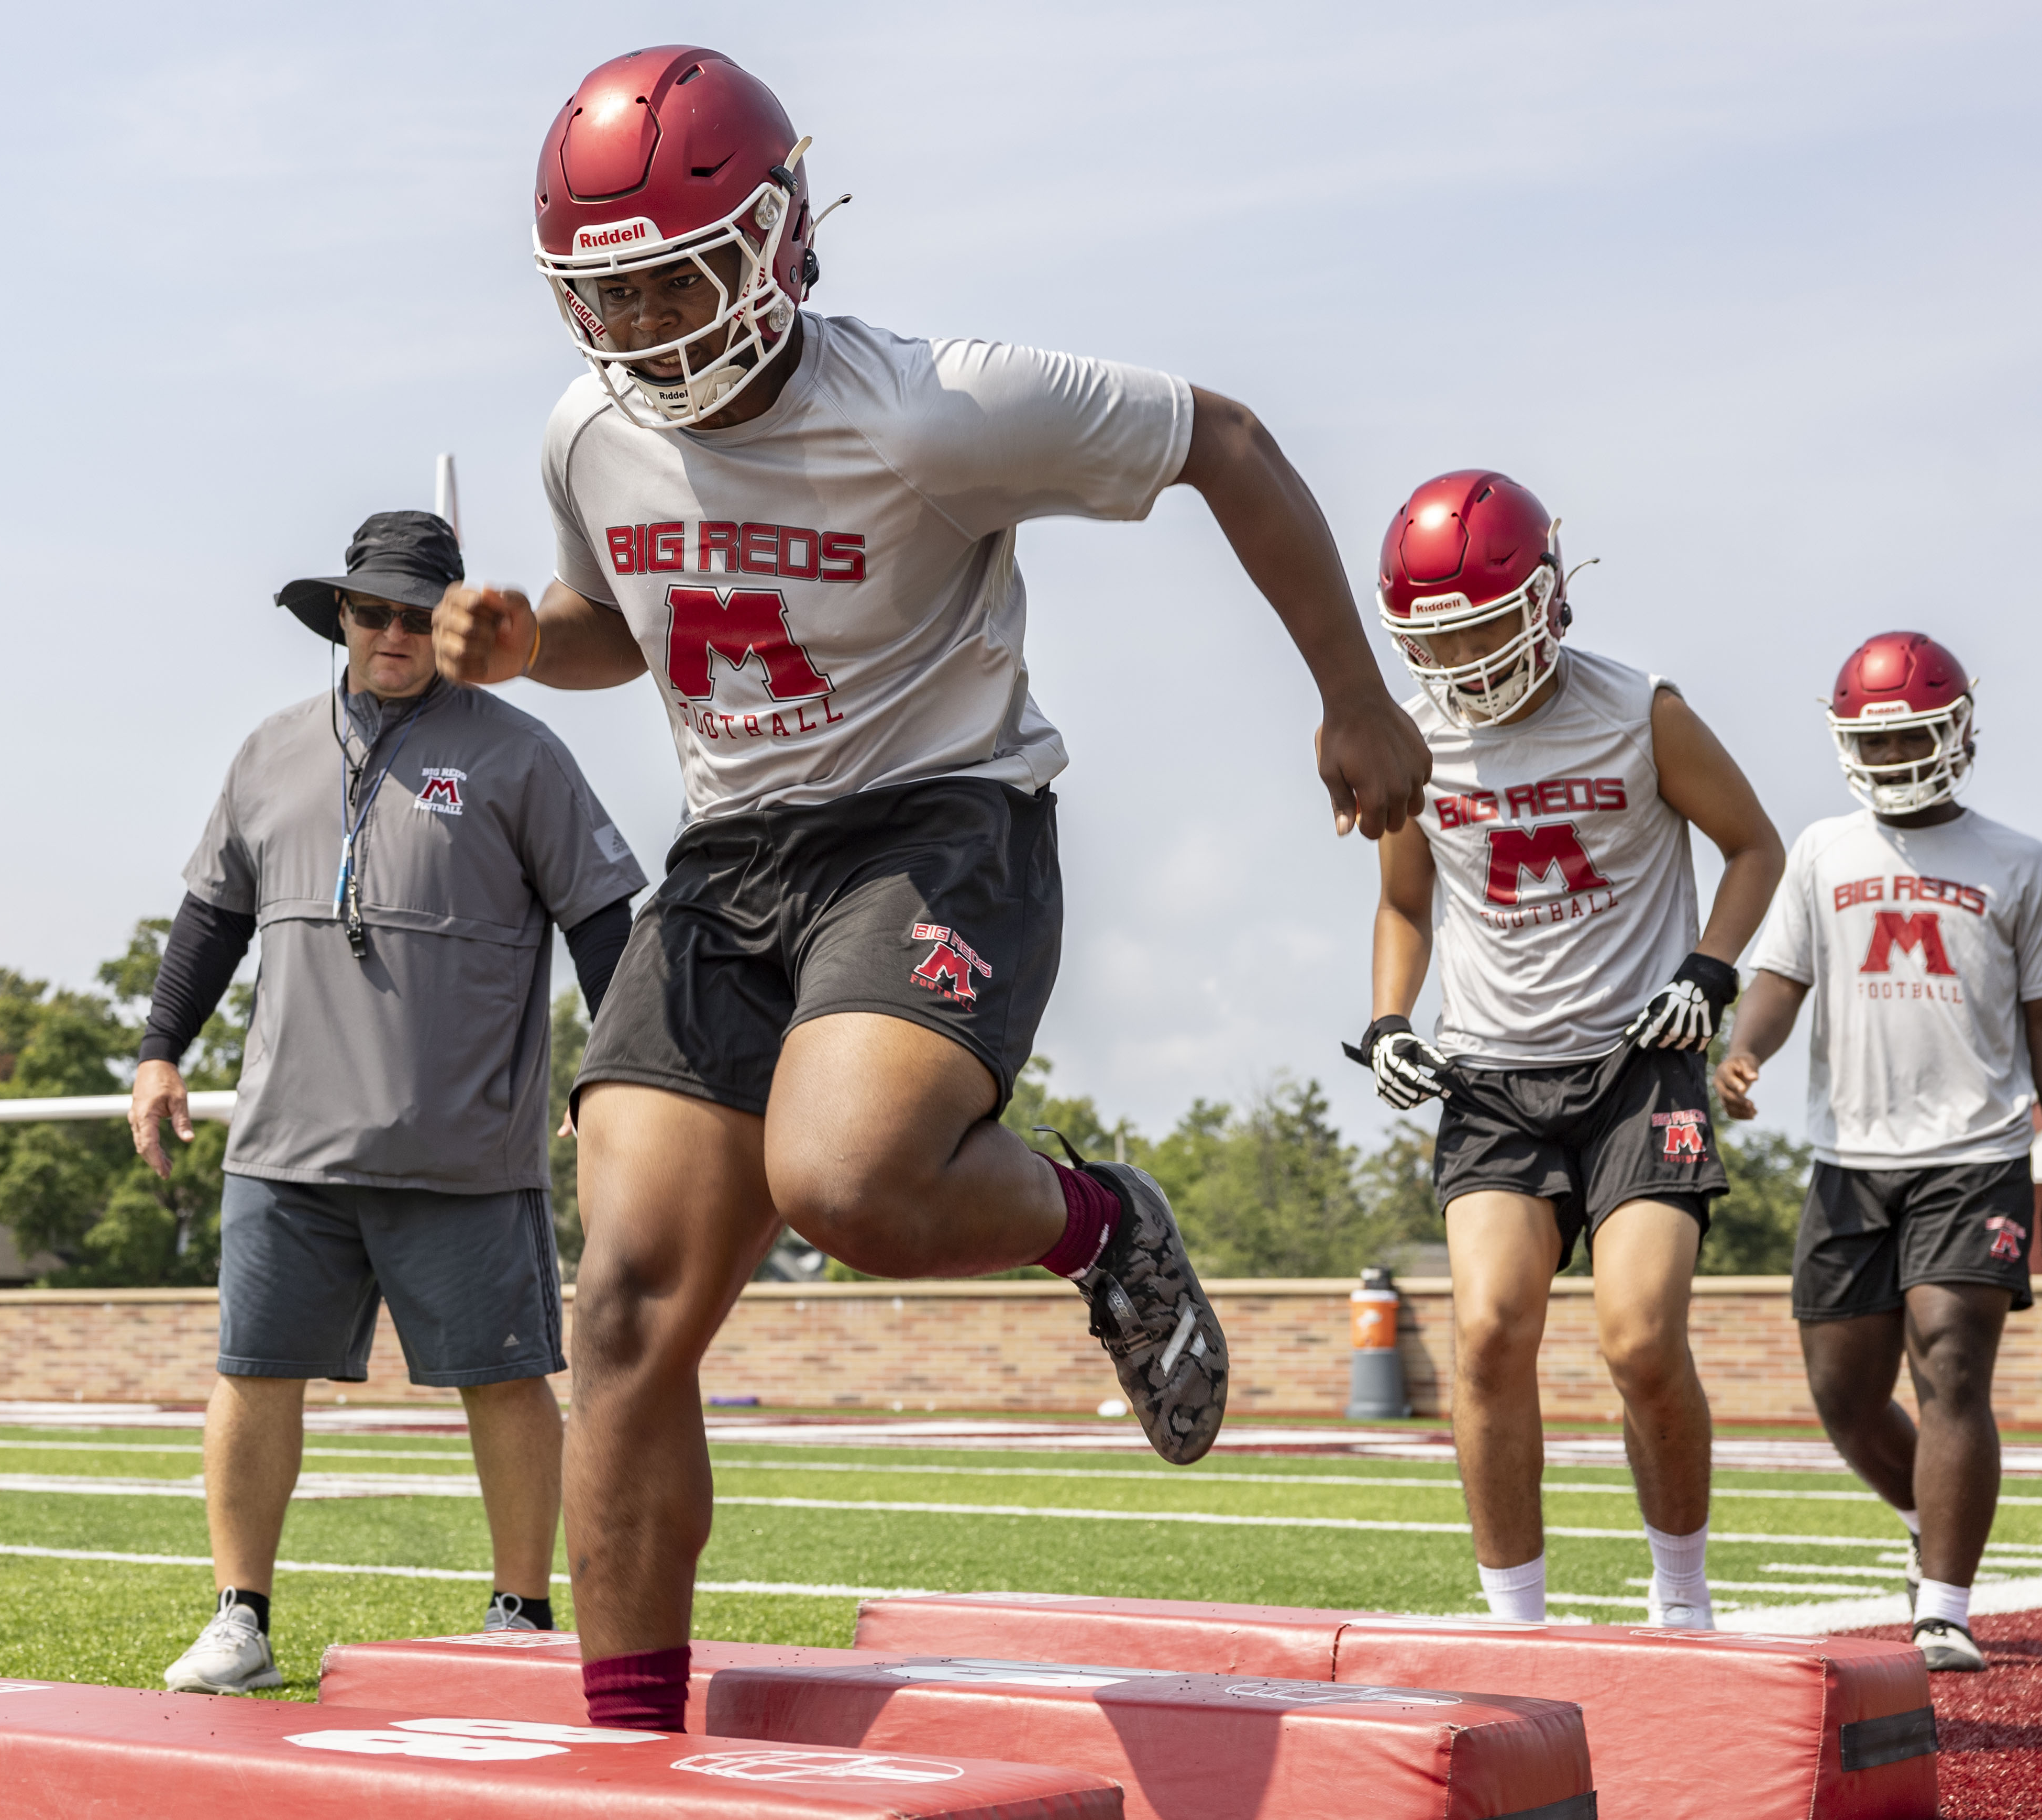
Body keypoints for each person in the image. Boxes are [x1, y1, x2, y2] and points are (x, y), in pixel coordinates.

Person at [431, 46, 1436, 1732]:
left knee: (849, 1179)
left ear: (778, 240)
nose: (651, 324)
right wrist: (539, 643)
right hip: (729, 854)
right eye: (609, 294)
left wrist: (1350, 689)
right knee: (615, 1311)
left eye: (680, 272)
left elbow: (1226, 438)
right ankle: (625, 1745)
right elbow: (630, 620)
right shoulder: (585, 431)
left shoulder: (923, 404)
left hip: (933, 822)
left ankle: (1101, 1224)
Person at [139, 510, 648, 1694]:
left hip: (463, 1143)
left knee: (505, 1379)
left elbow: (604, 922)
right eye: (371, 610)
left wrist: (607, 1074)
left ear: (452, 626)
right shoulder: (267, 751)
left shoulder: (524, 755)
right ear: (341, 617)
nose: (393, 632)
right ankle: (238, 1617)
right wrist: (161, 1050)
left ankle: (519, 1613)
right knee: (251, 1372)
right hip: (285, 1145)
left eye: (419, 614)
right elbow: (212, 916)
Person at [1354, 470, 1783, 1628]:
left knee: (1640, 1336)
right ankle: (1517, 1621)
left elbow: (1752, 847)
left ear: (1548, 599)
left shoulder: (1638, 708)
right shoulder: (1409, 737)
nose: (1474, 657)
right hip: (1490, 1074)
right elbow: (1404, 906)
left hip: (1638, 1065)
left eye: (1491, 622)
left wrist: (1708, 967)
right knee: (1488, 1330)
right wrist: (1391, 1019)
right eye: (1442, 637)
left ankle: (1681, 1600)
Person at [1716, 631, 2042, 1672]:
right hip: (1849, 1158)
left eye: (1908, 740)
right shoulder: (1820, 851)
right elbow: (1779, 977)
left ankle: (1942, 1604)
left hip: (1973, 1152)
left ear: (1956, 732)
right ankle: (1930, 1520)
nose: (1889, 762)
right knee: (1843, 1393)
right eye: (1870, 745)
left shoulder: (2018, 861)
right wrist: (1742, 1052)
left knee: (1951, 1359)